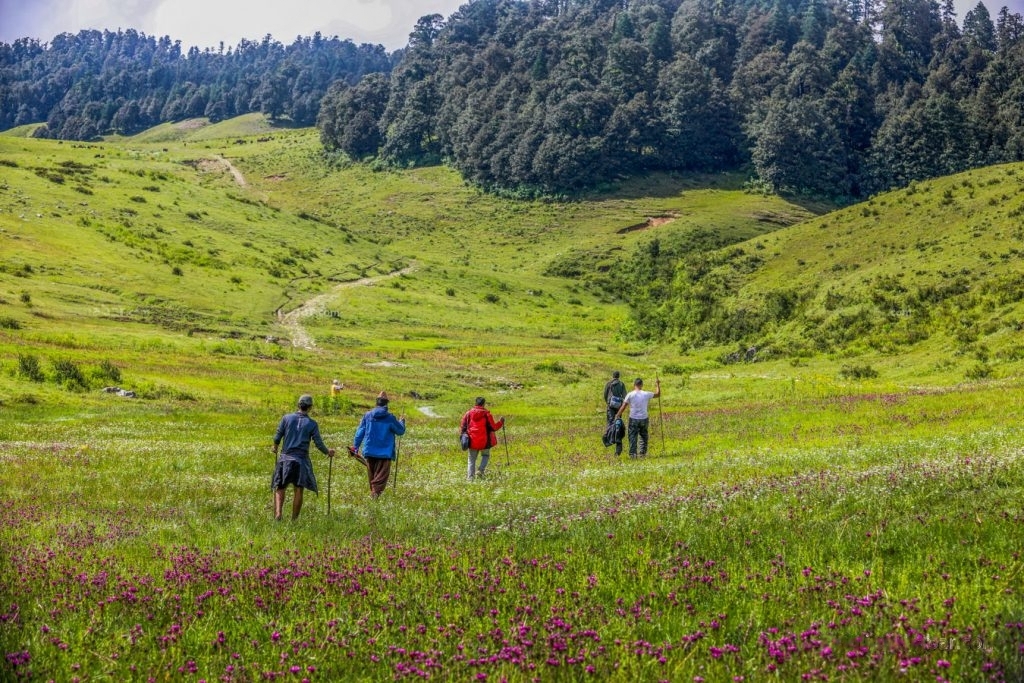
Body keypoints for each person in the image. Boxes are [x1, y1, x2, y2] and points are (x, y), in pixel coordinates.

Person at [271, 394, 335, 520]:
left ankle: (278, 513)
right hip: (300, 461)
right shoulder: (312, 424)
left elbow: (278, 435)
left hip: (285, 459)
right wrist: (328, 452)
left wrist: (275, 446)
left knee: (280, 487)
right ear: (310, 407)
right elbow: (318, 443)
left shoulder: (286, 418)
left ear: (298, 405)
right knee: (299, 489)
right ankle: (294, 520)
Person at [353, 391, 406, 499]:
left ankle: (374, 497)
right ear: (386, 404)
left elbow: (360, 432)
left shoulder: (367, 415)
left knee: (372, 476)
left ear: (376, 402)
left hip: (369, 451)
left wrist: (355, 447)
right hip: (384, 453)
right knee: (380, 478)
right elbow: (400, 431)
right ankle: (374, 497)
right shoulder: (390, 418)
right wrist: (402, 422)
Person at [615, 377, 660, 459]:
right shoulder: (646, 394)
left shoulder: (630, 394)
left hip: (633, 419)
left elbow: (624, 406)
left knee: (632, 436)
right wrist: (657, 384)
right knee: (643, 436)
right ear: (641, 385)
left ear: (634, 385)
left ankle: (633, 455)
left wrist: (618, 415)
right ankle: (642, 454)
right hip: (644, 418)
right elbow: (658, 394)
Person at [460, 397, 505, 480]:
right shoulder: (487, 414)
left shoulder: (468, 413)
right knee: (485, 455)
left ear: (475, 403)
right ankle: (480, 470)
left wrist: (463, 436)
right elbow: (494, 428)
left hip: (472, 440)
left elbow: (463, 426)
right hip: (485, 441)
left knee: (471, 460)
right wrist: (501, 422)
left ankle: (470, 479)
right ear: (484, 404)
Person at [603, 370, 627, 455]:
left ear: (612, 376)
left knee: (610, 423)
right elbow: (625, 396)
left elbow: (605, 395)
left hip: (610, 407)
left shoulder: (608, 384)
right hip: (619, 408)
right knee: (618, 424)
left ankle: (608, 440)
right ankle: (618, 444)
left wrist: (609, 403)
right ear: (619, 376)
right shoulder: (621, 384)